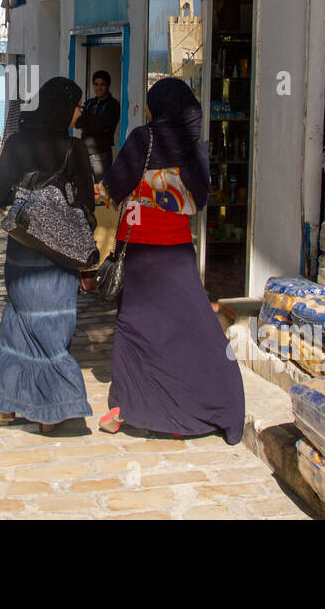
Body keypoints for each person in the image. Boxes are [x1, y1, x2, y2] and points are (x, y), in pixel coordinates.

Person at [95, 77, 245, 443]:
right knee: (194, 328)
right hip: (178, 250)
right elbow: (202, 198)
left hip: (141, 250)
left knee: (134, 327)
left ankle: (128, 406)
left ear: (157, 108)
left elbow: (114, 187)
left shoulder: (142, 140)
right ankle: (222, 403)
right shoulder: (195, 147)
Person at [0, 77, 95, 433]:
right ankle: (54, 410)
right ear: (64, 107)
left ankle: (11, 404)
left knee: (18, 324)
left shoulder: (17, 142)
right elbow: (86, 208)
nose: (81, 111)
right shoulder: (73, 148)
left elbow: (1, 197)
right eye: (78, 104)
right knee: (51, 325)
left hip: (21, 251)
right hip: (58, 256)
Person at [76, 70, 121, 180]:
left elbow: (101, 126)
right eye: (96, 84)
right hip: (85, 152)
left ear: (107, 86)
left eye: (102, 84)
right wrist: (92, 123)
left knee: (100, 189)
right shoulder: (90, 103)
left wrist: (87, 123)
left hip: (101, 155)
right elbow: (78, 121)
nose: (99, 88)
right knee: (84, 186)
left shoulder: (112, 105)